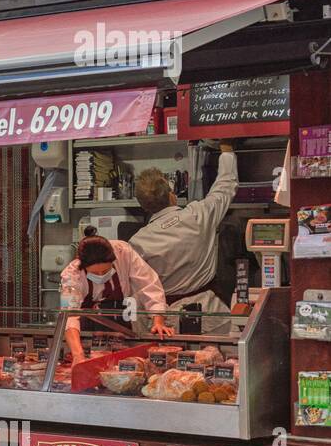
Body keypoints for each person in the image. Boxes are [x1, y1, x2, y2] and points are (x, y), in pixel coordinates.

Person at [129, 142, 238, 326]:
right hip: (210, 315)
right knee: (220, 355)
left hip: (165, 323)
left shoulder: (137, 242)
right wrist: (227, 149)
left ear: (143, 205)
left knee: (172, 356)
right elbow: (224, 187)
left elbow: (136, 291)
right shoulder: (196, 215)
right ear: (171, 194)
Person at [60, 227, 172, 363]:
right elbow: (69, 316)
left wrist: (158, 320)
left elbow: (149, 284)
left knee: (121, 360)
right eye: (95, 273)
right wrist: (78, 355)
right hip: (87, 322)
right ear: (83, 266)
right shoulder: (71, 275)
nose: (102, 276)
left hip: (120, 316)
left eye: (106, 271)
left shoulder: (123, 252)